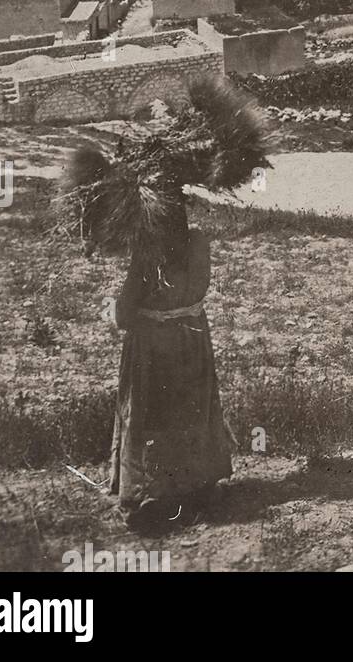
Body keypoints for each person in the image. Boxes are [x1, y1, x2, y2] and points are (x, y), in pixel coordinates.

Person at [110, 200, 233, 533]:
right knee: (193, 408)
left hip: (153, 346)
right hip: (193, 338)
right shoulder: (198, 241)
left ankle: (145, 494)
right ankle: (199, 485)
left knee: (151, 414)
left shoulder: (148, 250)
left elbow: (123, 315)